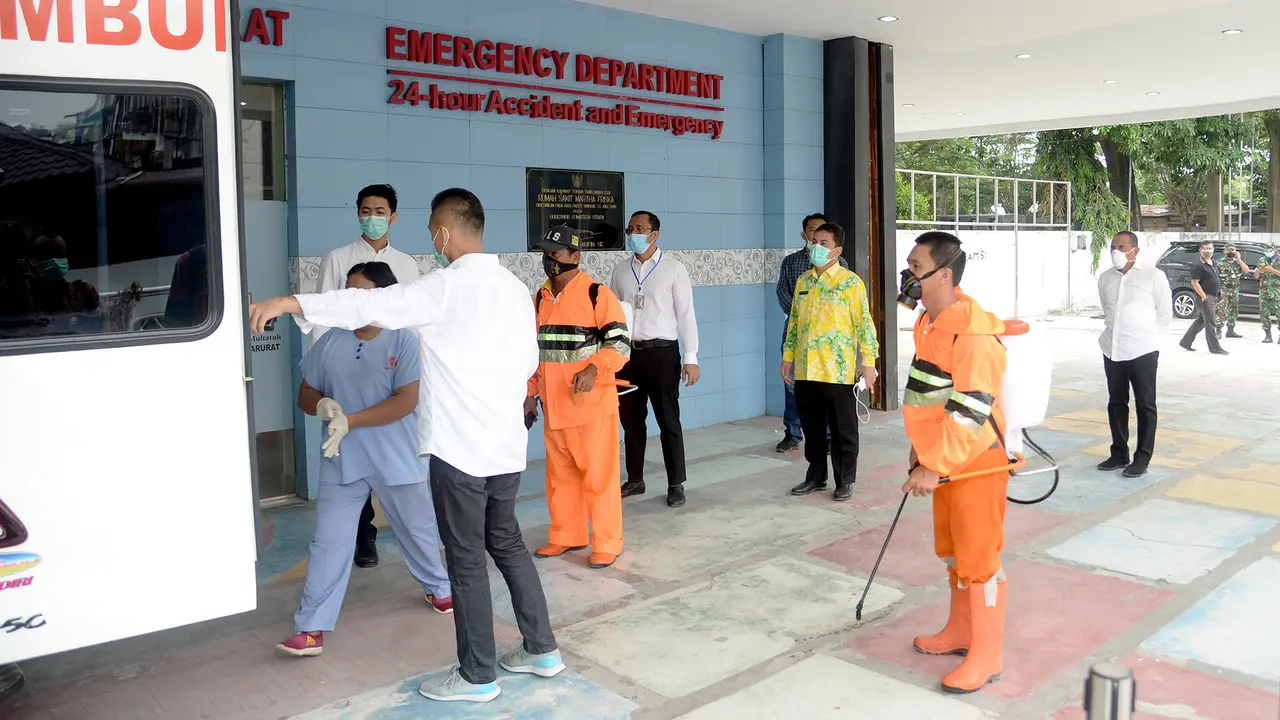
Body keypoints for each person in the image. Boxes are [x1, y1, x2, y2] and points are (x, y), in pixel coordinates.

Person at [249, 188, 563, 705]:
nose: (434, 244)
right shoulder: (512, 287)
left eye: (432, 235)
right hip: (505, 447)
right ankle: (542, 649)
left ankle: (477, 675)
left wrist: (291, 302)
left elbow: (370, 303)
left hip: (460, 452)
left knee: (464, 560)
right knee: (505, 544)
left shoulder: (444, 287)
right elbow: (529, 363)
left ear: (443, 233)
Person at [275, 262, 453, 659]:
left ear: (382, 297)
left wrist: (350, 420)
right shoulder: (332, 340)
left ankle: (438, 587)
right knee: (329, 543)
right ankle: (311, 627)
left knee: (418, 531)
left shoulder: (404, 341)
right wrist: (321, 405)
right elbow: (306, 391)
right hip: (342, 459)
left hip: (396, 457)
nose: (348, 298)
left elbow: (406, 401)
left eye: (357, 292)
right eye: (346, 290)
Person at [899, 231, 1009, 695]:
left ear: (944, 274)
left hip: (976, 460)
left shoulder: (973, 331)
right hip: (943, 459)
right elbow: (930, 397)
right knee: (953, 552)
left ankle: (986, 655)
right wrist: (920, 452)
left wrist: (934, 461)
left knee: (979, 560)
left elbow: (971, 406)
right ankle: (960, 632)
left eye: (916, 268)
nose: (908, 277)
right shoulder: (930, 321)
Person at [312, 184, 421, 570]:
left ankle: (425, 564)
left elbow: (410, 320)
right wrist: (327, 375)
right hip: (344, 373)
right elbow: (322, 317)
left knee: (395, 467)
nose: (371, 217)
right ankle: (363, 538)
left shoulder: (407, 265)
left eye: (379, 211)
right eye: (365, 210)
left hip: (390, 371)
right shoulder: (338, 259)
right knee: (345, 464)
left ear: (393, 216)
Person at [529, 225, 631, 568]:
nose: (549, 260)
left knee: (598, 478)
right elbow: (533, 353)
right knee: (560, 480)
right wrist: (530, 394)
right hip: (554, 408)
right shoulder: (539, 298)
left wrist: (594, 369)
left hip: (591, 409)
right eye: (546, 253)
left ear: (575, 257)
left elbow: (619, 344)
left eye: (555, 254)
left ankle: (607, 542)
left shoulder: (597, 294)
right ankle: (566, 536)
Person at [780, 222, 878, 502]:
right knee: (811, 427)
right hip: (807, 368)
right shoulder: (803, 282)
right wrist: (788, 357)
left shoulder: (850, 282)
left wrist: (868, 363)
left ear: (837, 250)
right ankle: (816, 476)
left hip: (838, 371)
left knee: (842, 429)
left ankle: (844, 480)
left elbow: (864, 325)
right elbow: (795, 324)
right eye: (814, 241)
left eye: (824, 243)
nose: (816, 247)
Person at [608, 211, 696, 507]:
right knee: (631, 421)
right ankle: (635, 479)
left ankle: (676, 483)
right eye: (630, 228)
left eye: (640, 228)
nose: (633, 233)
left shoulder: (673, 270)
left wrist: (691, 357)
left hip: (663, 354)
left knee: (668, 420)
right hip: (629, 356)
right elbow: (612, 316)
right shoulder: (620, 270)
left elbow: (686, 315)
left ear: (654, 234)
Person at [1097, 231, 1172, 479]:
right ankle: (1119, 453)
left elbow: (1164, 314)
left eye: (1121, 246)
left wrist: (1141, 332)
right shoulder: (1105, 278)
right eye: (1113, 246)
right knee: (1116, 403)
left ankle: (1142, 458)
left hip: (1142, 351)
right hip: (1112, 349)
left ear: (1135, 250)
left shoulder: (1153, 276)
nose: (1115, 251)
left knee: (1145, 406)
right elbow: (1107, 311)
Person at [775, 213, 847, 453]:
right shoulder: (792, 264)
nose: (816, 238)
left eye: (821, 233)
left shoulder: (843, 269)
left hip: (827, 343)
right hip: (797, 336)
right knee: (793, 387)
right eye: (812, 232)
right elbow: (784, 294)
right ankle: (792, 433)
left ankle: (826, 435)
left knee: (823, 391)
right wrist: (803, 314)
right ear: (804, 234)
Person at [1179, 240, 1228, 355]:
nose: (1208, 250)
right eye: (1206, 248)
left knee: (1200, 321)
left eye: (1210, 248)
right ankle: (1214, 347)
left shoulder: (1213, 263)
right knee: (1210, 322)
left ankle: (1186, 341)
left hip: (1214, 296)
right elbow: (1195, 282)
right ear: (1201, 250)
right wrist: (1204, 297)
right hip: (1206, 297)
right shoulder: (1198, 266)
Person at [1214, 243, 1249, 339]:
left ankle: (1230, 330)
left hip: (1234, 290)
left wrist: (1239, 259)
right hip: (1223, 289)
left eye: (1233, 250)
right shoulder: (1219, 263)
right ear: (1225, 251)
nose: (1231, 252)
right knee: (1221, 310)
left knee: (1233, 310)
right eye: (1229, 250)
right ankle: (1218, 330)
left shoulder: (1238, 263)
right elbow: (1214, 277)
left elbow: (1246, 270)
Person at [1256, 242, 1280, 343]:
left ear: (1274, 249)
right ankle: (1268, 335)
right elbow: (1256, 276)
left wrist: (1271, 270)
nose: (1268, 252)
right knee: (1264, 313)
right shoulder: (1262, 260)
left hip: (1277, 291)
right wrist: (1259, 271)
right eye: (1266, 250)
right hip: (1264, 290)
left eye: (1270, 250)